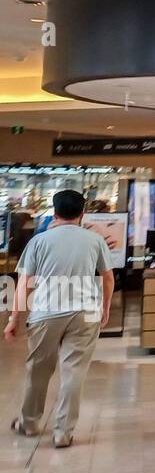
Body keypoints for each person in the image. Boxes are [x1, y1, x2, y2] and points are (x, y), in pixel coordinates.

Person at [4, 190, 114, 448]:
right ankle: (63, 433)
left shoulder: (39, 241)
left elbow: (24, 284)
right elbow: (108, 278)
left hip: (46, 312)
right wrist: (104, 308)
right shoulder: (95, 240)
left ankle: (29, 423)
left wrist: (14, 318)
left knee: (38, 370)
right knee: (74, 371)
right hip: (86, 312)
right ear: (82, 213)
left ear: (54, 213)